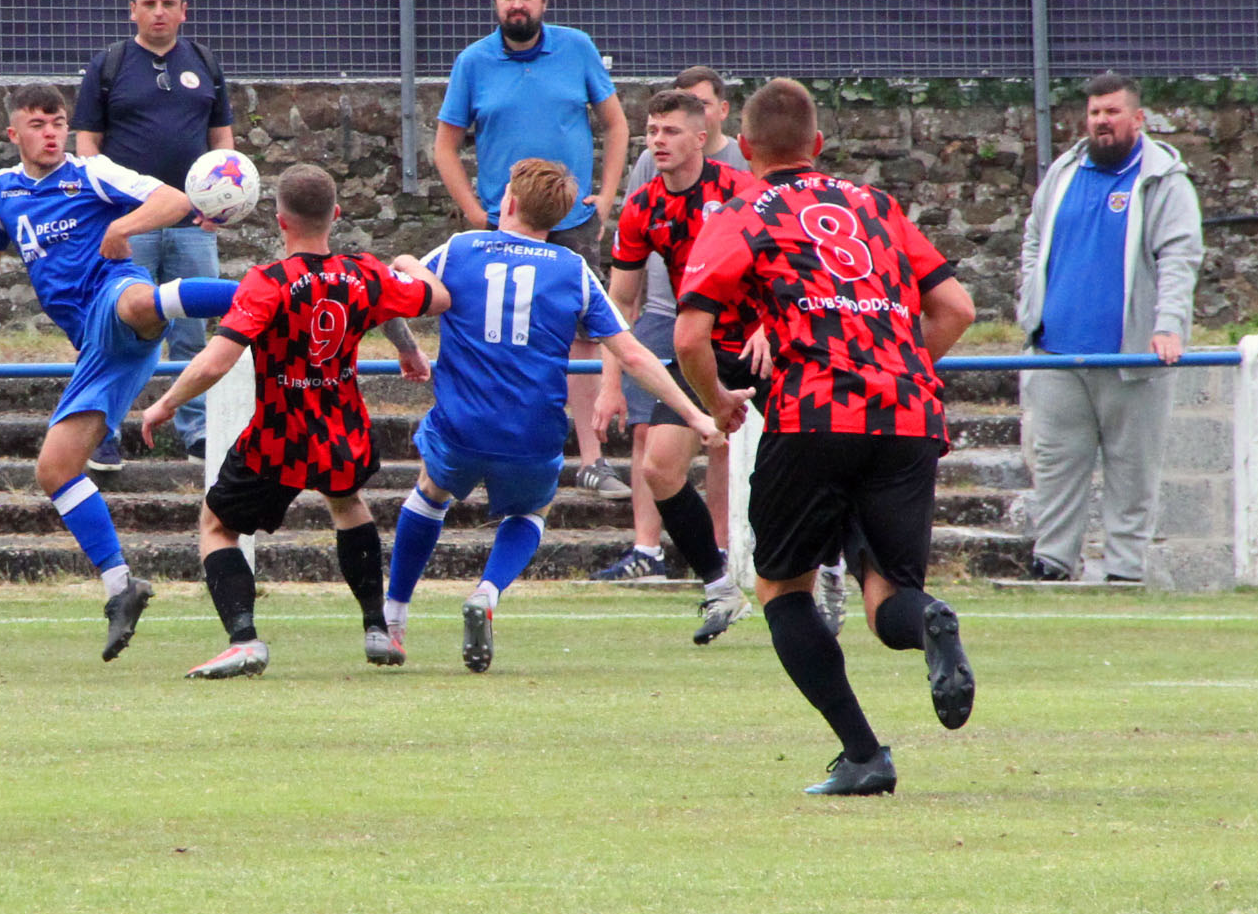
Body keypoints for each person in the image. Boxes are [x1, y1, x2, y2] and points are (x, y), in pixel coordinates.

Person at [674, 78, 980, 798]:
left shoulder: (742, 208)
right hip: (907, 415)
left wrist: (717, 401)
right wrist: (892, 368)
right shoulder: (875, 204)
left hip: (814, 415)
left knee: (781, 585)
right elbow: (957, 308)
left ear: (744, 149)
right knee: (890, 599)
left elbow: (691, 332)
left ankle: (864, 754)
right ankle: (931, 622)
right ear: (819, 145)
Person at [0, 87, 234, 662]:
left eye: (57, 122)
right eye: (36, 124)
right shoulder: (3, 190)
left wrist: (122, 229)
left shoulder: (93, 173)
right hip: (93, 343)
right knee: (55, 469)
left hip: (115, 293)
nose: (50, 133)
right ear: (14, 135)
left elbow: (174, 200)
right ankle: (121, 588)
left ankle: (268, 295)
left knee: (136, 304)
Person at [379, 159, 722, 674]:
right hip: (532, 431)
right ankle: (488, 593)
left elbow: (389, 297)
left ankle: (394, 619)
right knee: (531, 514)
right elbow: (632, 355)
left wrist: (408, 347)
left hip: (462, 423)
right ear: (557, 220)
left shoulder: (458, 250)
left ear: (509, 203)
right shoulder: (571, 269)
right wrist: (694, 414)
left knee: (430, 493)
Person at [134, 164, 435, 677]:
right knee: (348, 503)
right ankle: (377, 629)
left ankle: (244, 639)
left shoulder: (267, 283)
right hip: (341, 426)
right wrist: (409, 323)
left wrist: (164, 403)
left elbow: (216, 360)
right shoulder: (365, 272)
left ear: (279, 221)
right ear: (335, 215)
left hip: (280, 434)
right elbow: (431, 299)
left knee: (216, 525)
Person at [430, 0, 629, 499]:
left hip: (573, 223)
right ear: (495, 2)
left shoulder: (577, 48)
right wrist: (475, 212)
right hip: (505, 225)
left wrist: (608, 195)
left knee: (586, 340)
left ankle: (592, 459)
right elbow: (445, 146)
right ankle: (490, 455)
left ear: (544, 1)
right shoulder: (472, 62)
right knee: (498, 337)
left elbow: (615, 123)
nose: (516, 5)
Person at [1017, 73, 1204, 585]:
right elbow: (1034, 240)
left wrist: (1168, 327)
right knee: (1056, 464)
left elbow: (1178, 259)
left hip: (1133, 358)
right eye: (1095, 112)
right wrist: (1029, 312)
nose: (1102, 121)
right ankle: (1053, 562)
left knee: (1132, 469)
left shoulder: (1165, 180)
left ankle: (1124, 571)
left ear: (1137, 118)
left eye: (1113, 112)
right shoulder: (1063, 172)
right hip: (1057, 355)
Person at [599, 88, 757, 640]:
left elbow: (790, 265)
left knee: (806, 459)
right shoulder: (642, 206)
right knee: (658, 467)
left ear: (699, 136)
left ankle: (830, 571)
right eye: (652, 131)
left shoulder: (740, 191)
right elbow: (619, 304)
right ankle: (720, 588)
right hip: (700, 347)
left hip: (766, 343)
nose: (657, 141)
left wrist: (767, 326)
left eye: (669, 131)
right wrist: (610, 384)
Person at [71, 0, 237, 468]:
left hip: (192, 227)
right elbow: (86, 147)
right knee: (115, 330)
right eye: (149, 3)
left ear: (184, 11)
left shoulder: (204, 62)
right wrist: (108, 216)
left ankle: (199, 431)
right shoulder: (109, 65)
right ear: (132, 11)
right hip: (130, 226)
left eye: (169, 3)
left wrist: (221, 204)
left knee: (192, 333)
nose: (159, 11)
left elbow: (222, 142)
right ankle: (102, 433)